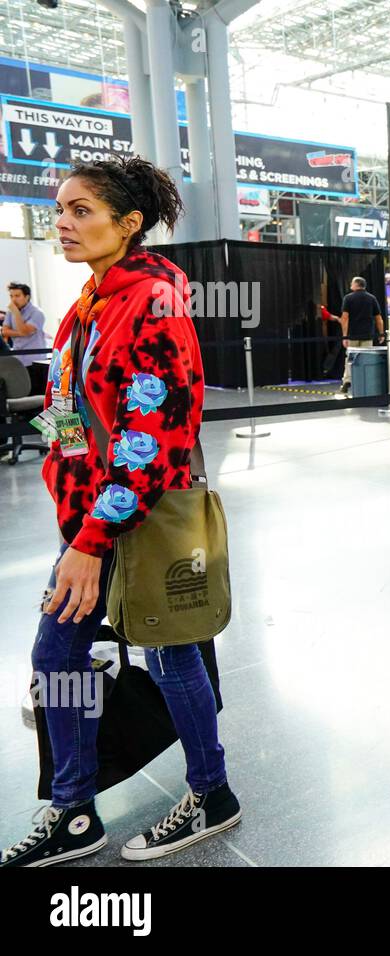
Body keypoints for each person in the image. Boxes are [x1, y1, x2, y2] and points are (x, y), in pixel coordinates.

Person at [1, 156, 238, 867]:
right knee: (58, 654)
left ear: (128, 224)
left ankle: (211, 792)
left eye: (81, 211)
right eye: (59, 211)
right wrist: (70, 497)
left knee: (170, 655)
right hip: (91, 521)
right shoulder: (87, 304)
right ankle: (73, 809)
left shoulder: (153, 303)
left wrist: (93, 538)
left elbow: (151, 439)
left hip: (142, 517)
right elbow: (64, 410)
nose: (63, 224)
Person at [338, 276, 384, 394]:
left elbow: (345, 318)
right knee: (366, 358)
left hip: (353, 335)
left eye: (352, 283)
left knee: (350, 359)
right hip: (367, 335)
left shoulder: (348, 298)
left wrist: (345, 336)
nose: (350, 285)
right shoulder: (372, 298)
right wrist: (381, 333)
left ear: (356, 285)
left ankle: (347, 381)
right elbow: (378, 318)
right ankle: (367, 382)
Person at [3, 281, 49, 395]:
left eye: (17, 296)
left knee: (36, 394)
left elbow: (23, 331)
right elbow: (5, 331)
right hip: (19, 359)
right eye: (11, 296)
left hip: (34, 361)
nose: (13, 300)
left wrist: (16, 314)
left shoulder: (37, 313)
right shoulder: (10, 313)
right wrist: (21, 332)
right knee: (22, 393)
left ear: (27, 296)